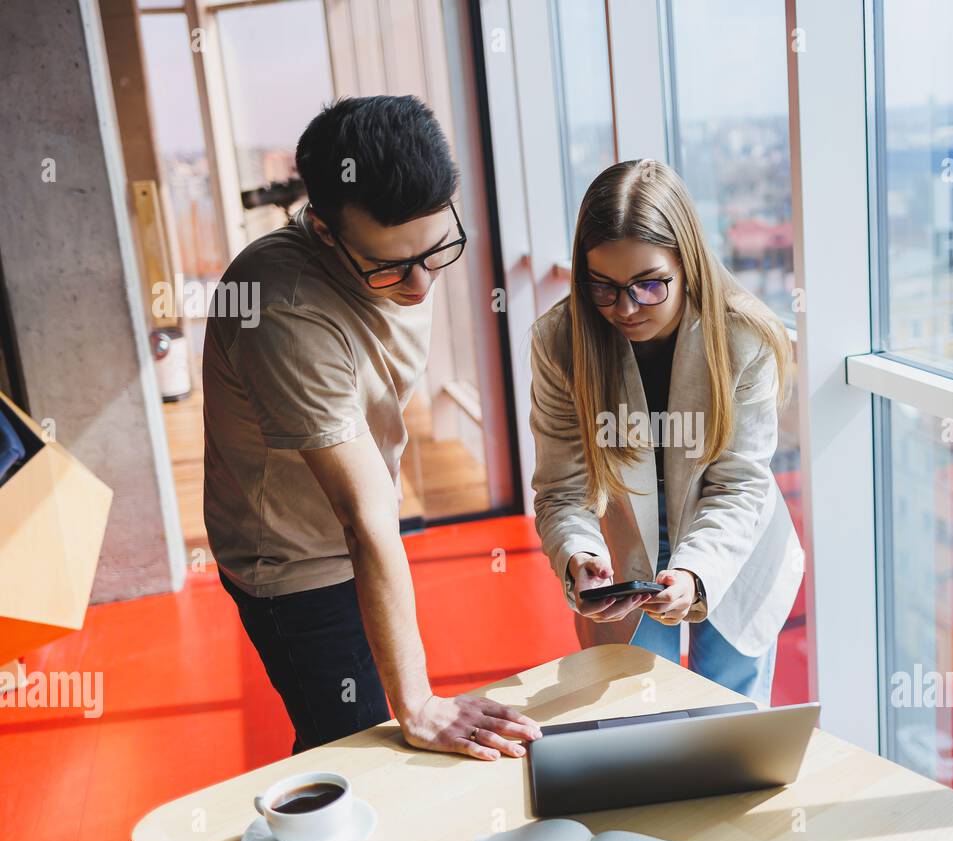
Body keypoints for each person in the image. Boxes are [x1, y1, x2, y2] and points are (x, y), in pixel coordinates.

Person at [203, 95, 539, 757]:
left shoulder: (405, 247)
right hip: (295, 564)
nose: (418, 284)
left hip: (355, 525)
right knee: (352, 750)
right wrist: (415, 703)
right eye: (388, 266)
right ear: (325, 231)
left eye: (437, 251)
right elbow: (364, 516)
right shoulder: (282, 308)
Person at [529, 159, 803, 705]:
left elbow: (738, 485)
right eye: (603, 288)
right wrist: (578, 555)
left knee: (728, 719)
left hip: (731, 532)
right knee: (628, 708)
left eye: (649, 284)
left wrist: (696, 574)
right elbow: (562, 489)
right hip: (622, 532)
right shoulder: (560, 340)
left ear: (689, 261)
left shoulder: (747, 336)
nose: (626, 308)